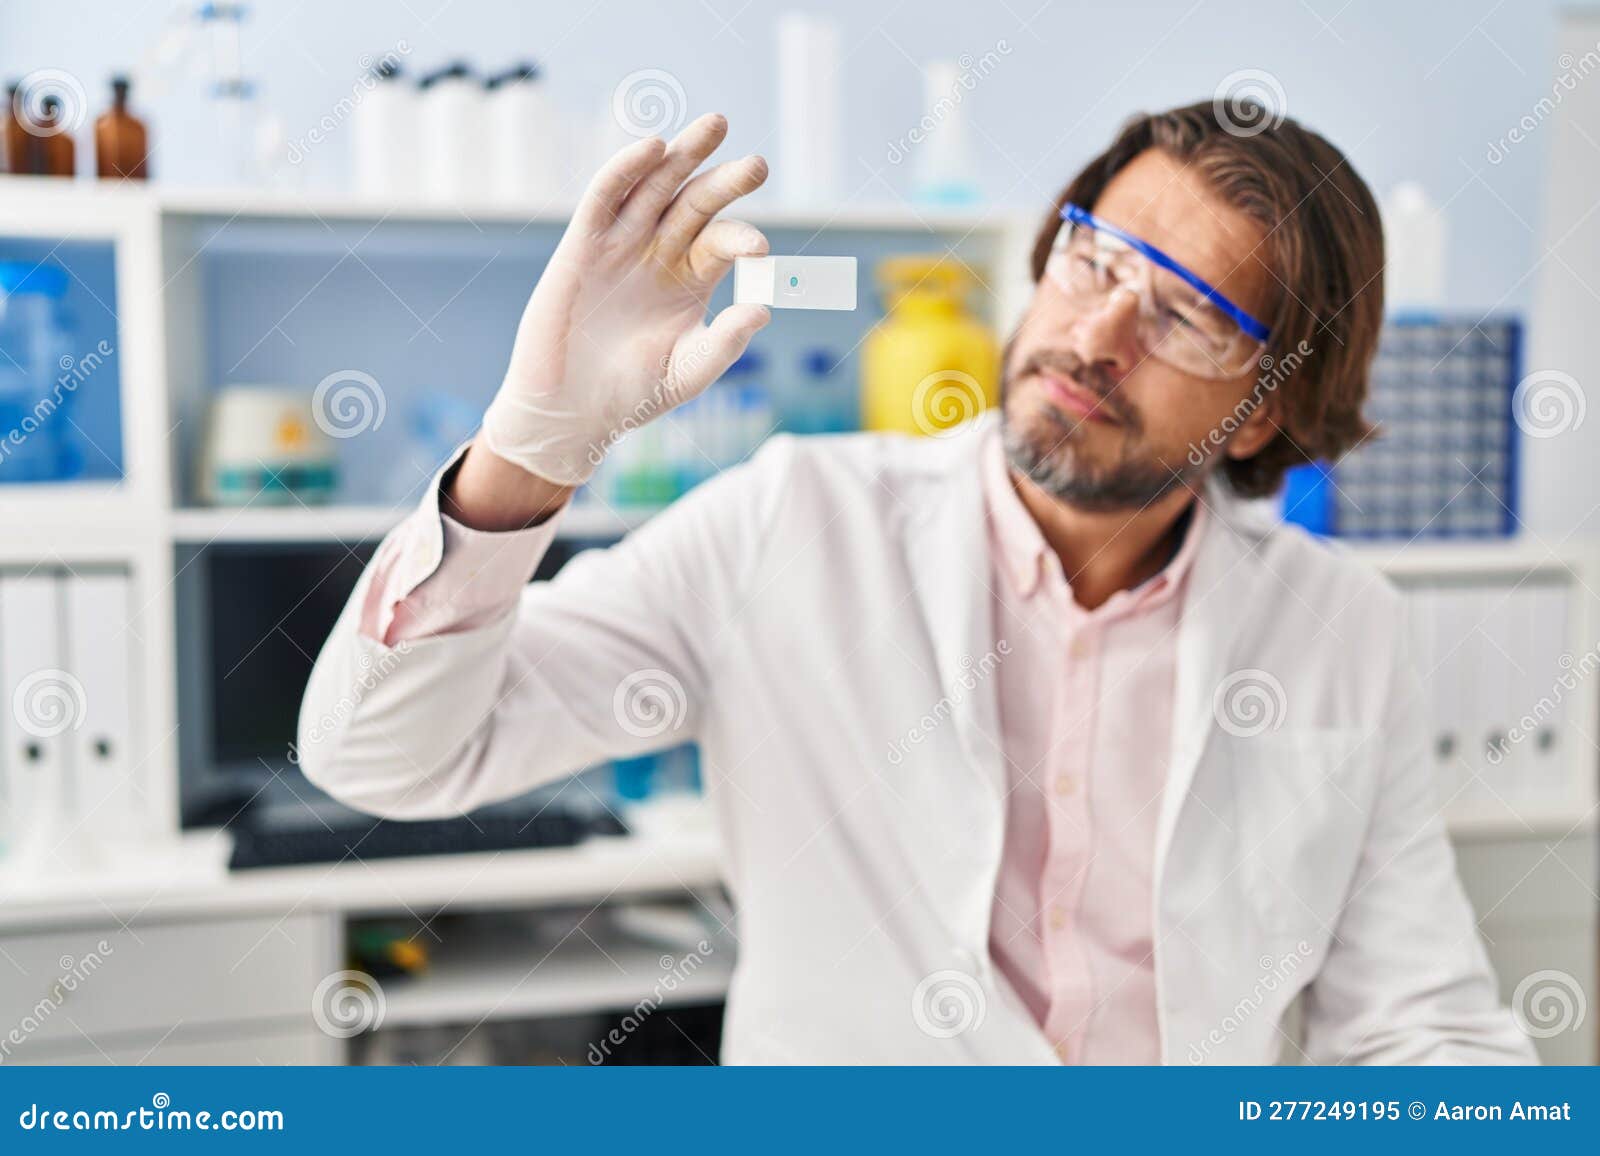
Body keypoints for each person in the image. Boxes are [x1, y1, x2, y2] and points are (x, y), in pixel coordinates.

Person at [299, 104, 1535, 1064]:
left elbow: (1414, 1020)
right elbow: (385, 757)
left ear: (1268, 413)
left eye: (1187, 320)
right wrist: (528, 450)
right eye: (1092, 260)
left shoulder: (1338, 628)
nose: (1097, 337)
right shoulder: (795, 520)